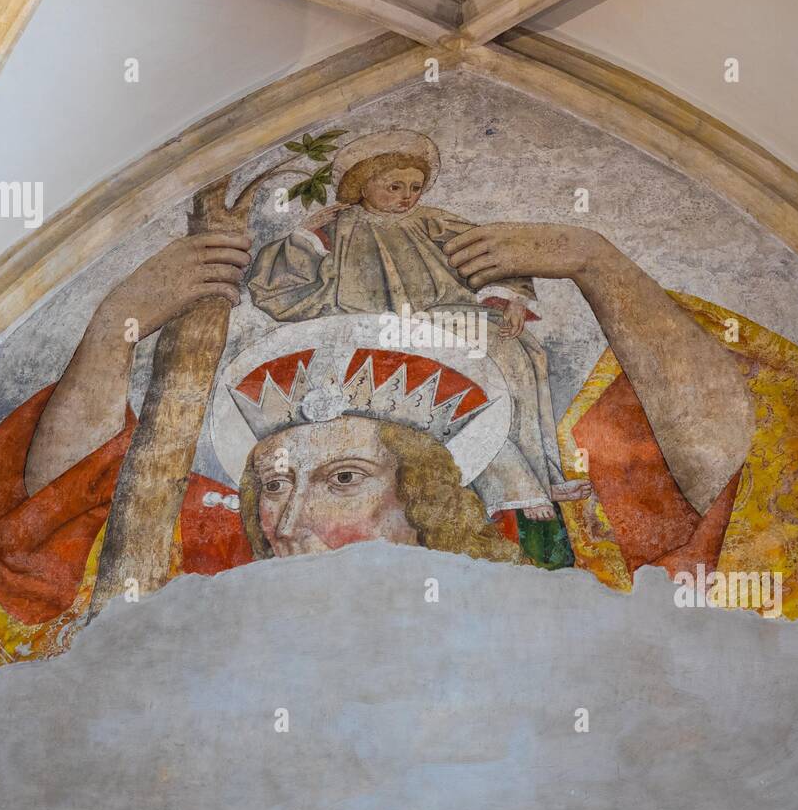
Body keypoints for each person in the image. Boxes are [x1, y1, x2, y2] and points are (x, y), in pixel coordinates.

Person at [0, 222, 798, 686]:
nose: (285, 516)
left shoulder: (550, 604)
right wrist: (116, 325)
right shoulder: (218, 632)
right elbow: (39, 554)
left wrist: (597, 263)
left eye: (342, 477)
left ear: (430, 497)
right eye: (270, 484)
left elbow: (747, 481)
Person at [246, 130, 588, 521]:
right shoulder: (337, 227)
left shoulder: (433, 220)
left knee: (516, 355)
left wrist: (510, 297)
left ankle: (543, 476)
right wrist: (305, 236)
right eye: (394, 186)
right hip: (370, 328)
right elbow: (275, 288)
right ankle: (512, 489)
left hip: (449, 318)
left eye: (415, 186)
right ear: (364, 185)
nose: (407, 196)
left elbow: (489, 252)